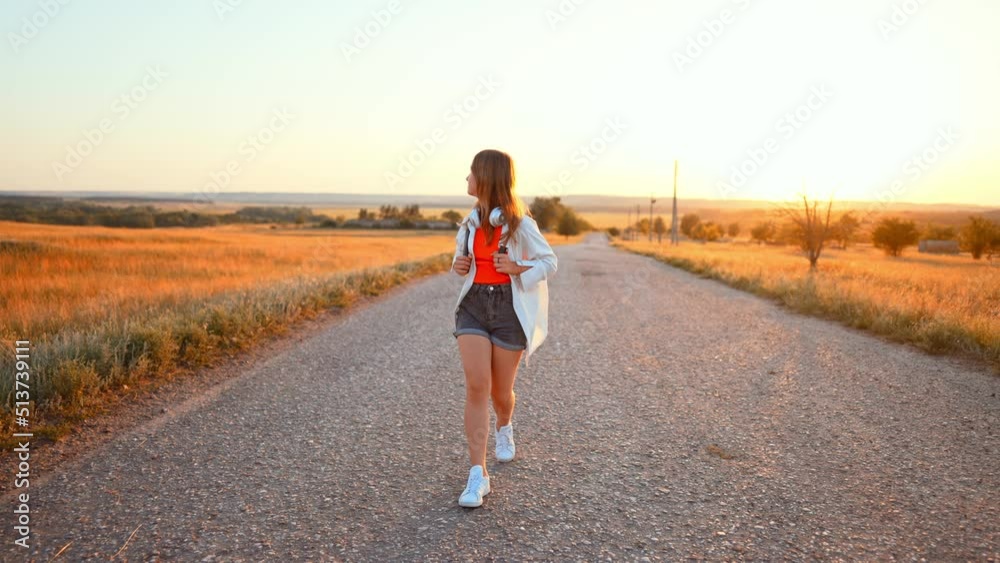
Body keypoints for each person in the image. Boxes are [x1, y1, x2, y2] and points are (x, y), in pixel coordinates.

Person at [450, 149, 558, 508]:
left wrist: (517, 267)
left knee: (500, 393)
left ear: (487, 178)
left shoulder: (519, 224)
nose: (466, 178)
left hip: (509, 310)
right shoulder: (469, 223)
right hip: (474, 308)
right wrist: (459, 264)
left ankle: (505, 425)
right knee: (477, 385)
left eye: (471, 172)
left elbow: (549, 262)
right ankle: (478, 474)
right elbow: (459, 260)